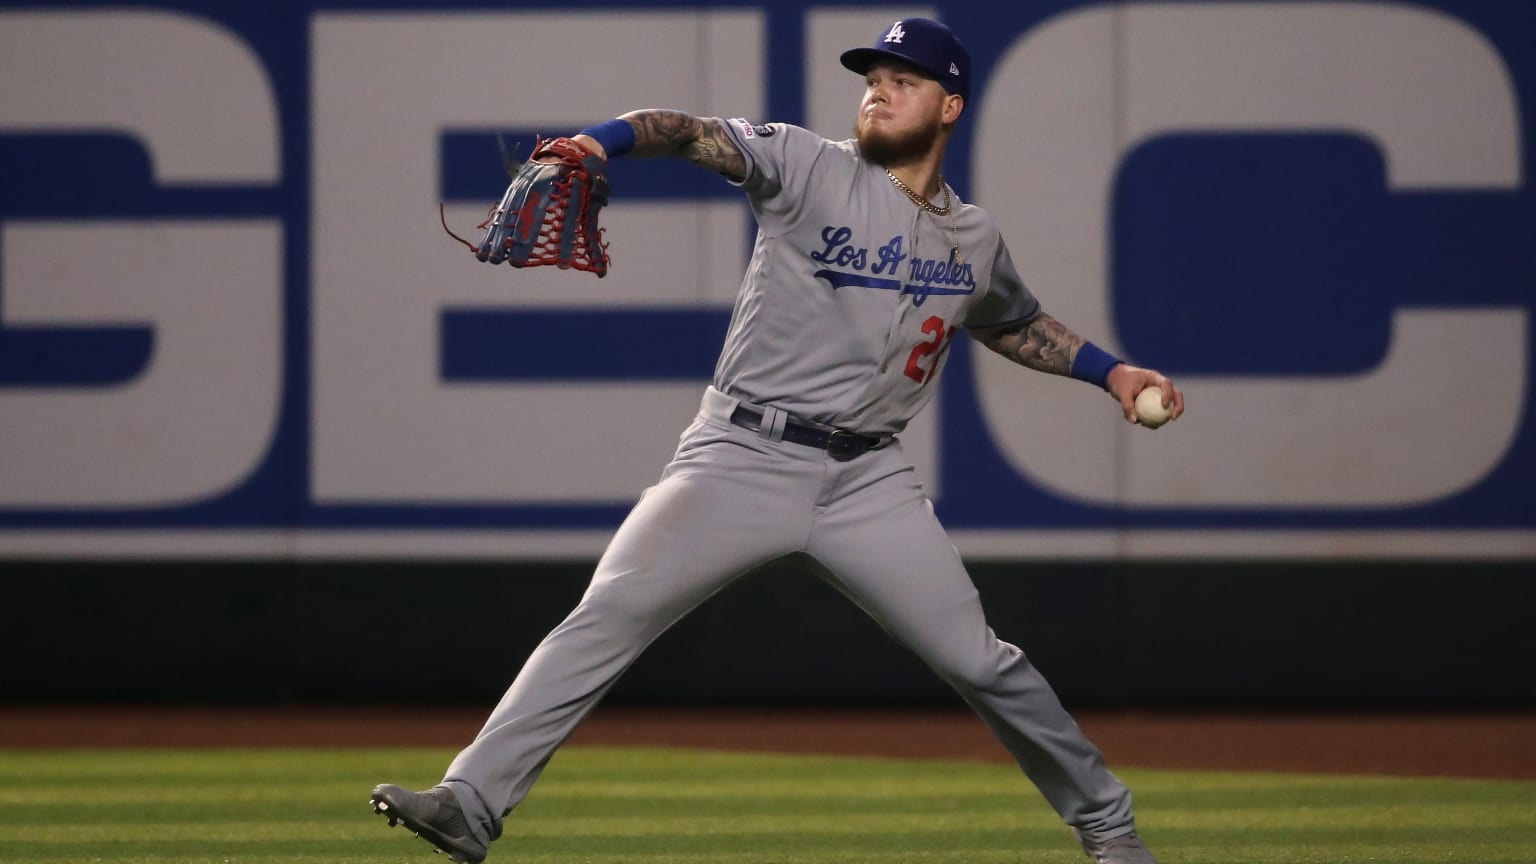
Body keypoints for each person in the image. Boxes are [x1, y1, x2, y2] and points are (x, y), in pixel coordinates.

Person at [370, 17, 1183, 864]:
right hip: (739, 457)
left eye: (902, 80)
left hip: (870, 482)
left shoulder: (971, 236)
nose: (877, 89)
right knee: (608, 612)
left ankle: (1109, 829)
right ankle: (470, 802)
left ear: (950, 106)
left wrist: (1111, 373)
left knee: (983, 664)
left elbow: (1012, 321)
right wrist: (597, 141)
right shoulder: (804, 164)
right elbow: (685, 131)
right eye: (872, 76)